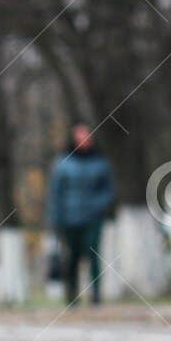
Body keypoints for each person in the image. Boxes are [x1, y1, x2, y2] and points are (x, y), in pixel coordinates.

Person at [46, 124, 116, 305]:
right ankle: (72, 296)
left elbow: (108, 189)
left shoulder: (100, 161)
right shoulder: (64, 162)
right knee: (72, 256)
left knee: (93, 255)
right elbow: (56, 193)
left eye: (87, 136)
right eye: (80, 137)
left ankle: (96, 296)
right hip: (69, 218)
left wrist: (99, 205)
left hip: (93, 217)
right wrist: (55, 218)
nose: (84, 140)